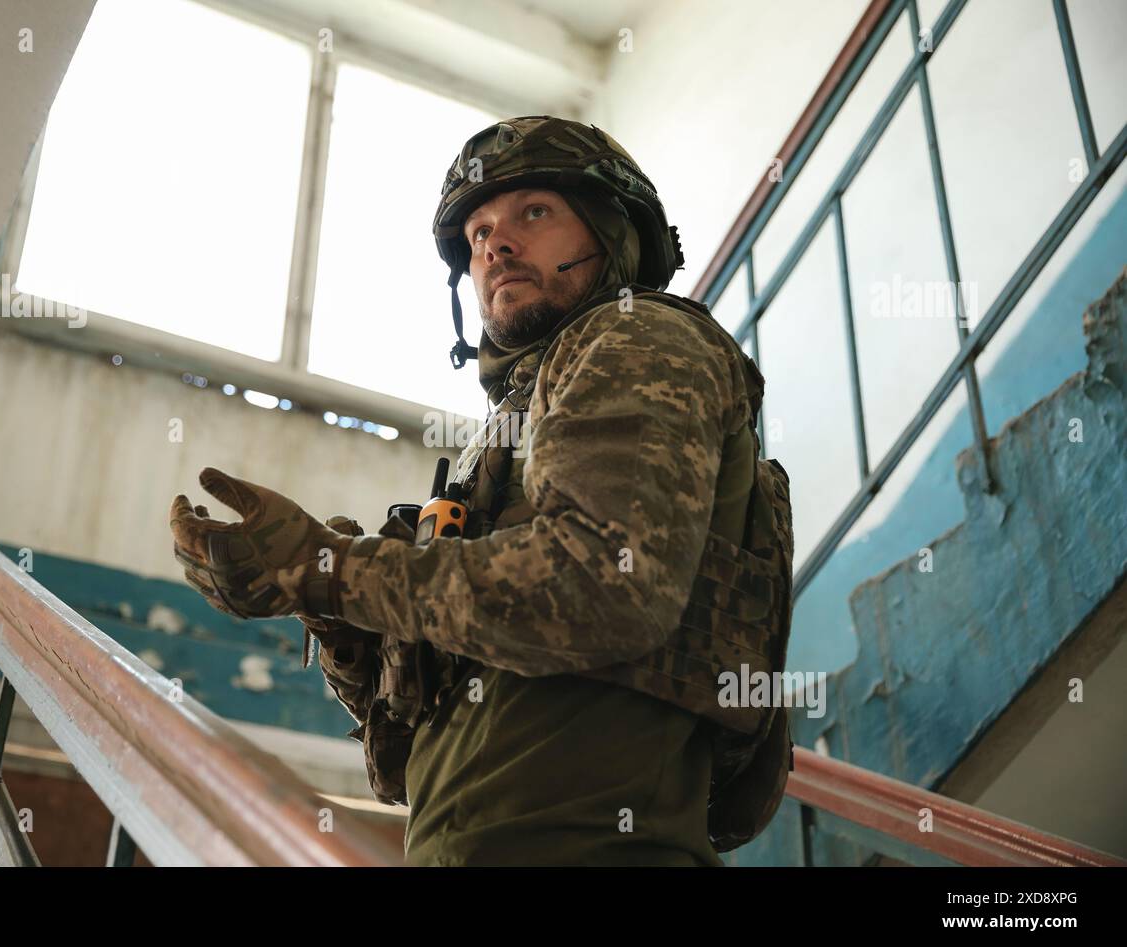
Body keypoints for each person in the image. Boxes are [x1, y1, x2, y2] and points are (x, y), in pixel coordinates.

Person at [170, 116, 793, 866]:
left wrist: (332, 568)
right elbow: (406, 741)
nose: (496, 245)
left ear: (612, 229)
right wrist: (321, 603)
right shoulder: (498, 442)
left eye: (533, 213)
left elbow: (602, 585)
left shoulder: (634, 338)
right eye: (478, 233)